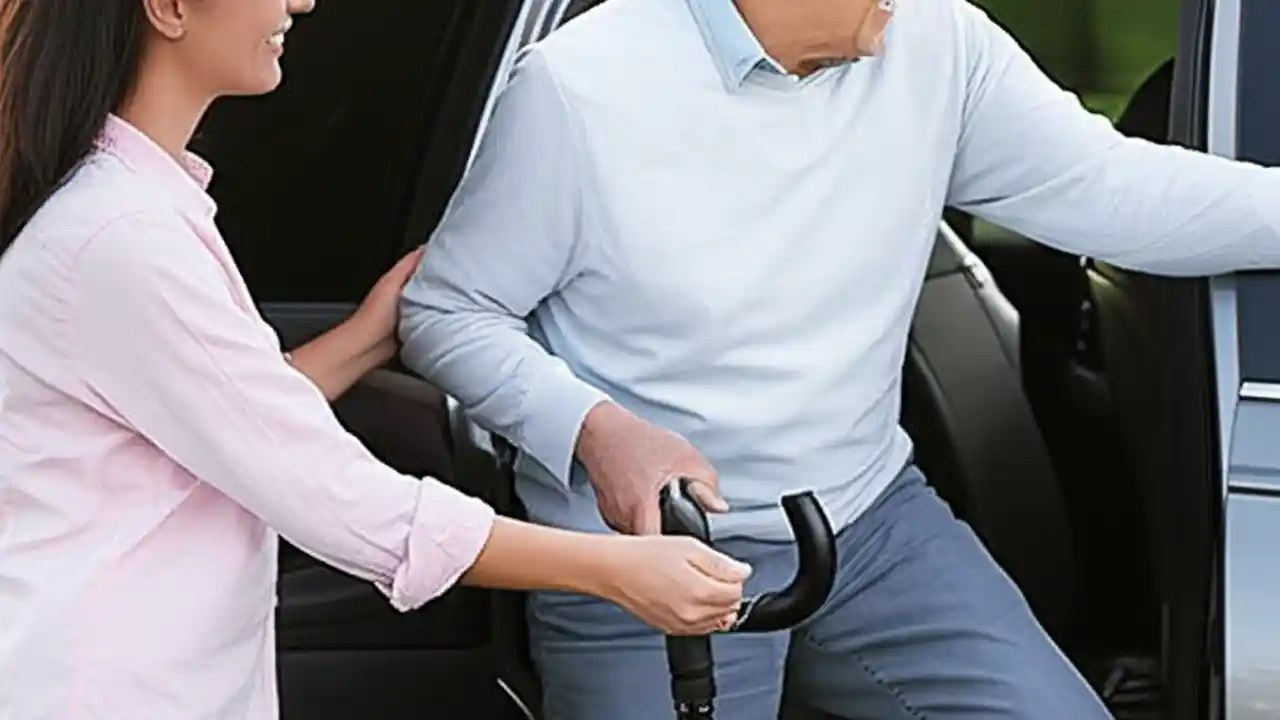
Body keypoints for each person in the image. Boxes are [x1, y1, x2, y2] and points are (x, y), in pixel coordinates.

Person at [397, 0, 1280, 717]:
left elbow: (1116, 189)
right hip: (645, 564)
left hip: (869, 525)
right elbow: (448, 311)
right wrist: (599, 432)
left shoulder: (940, 41)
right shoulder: (579, 88)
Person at [0, 1, 754, 717]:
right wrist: (616, 571)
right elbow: (339, 498)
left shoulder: (120, 208)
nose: (299, 4)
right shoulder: (121, 237)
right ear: (168, 8)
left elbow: (234, 420)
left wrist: (372, 333)